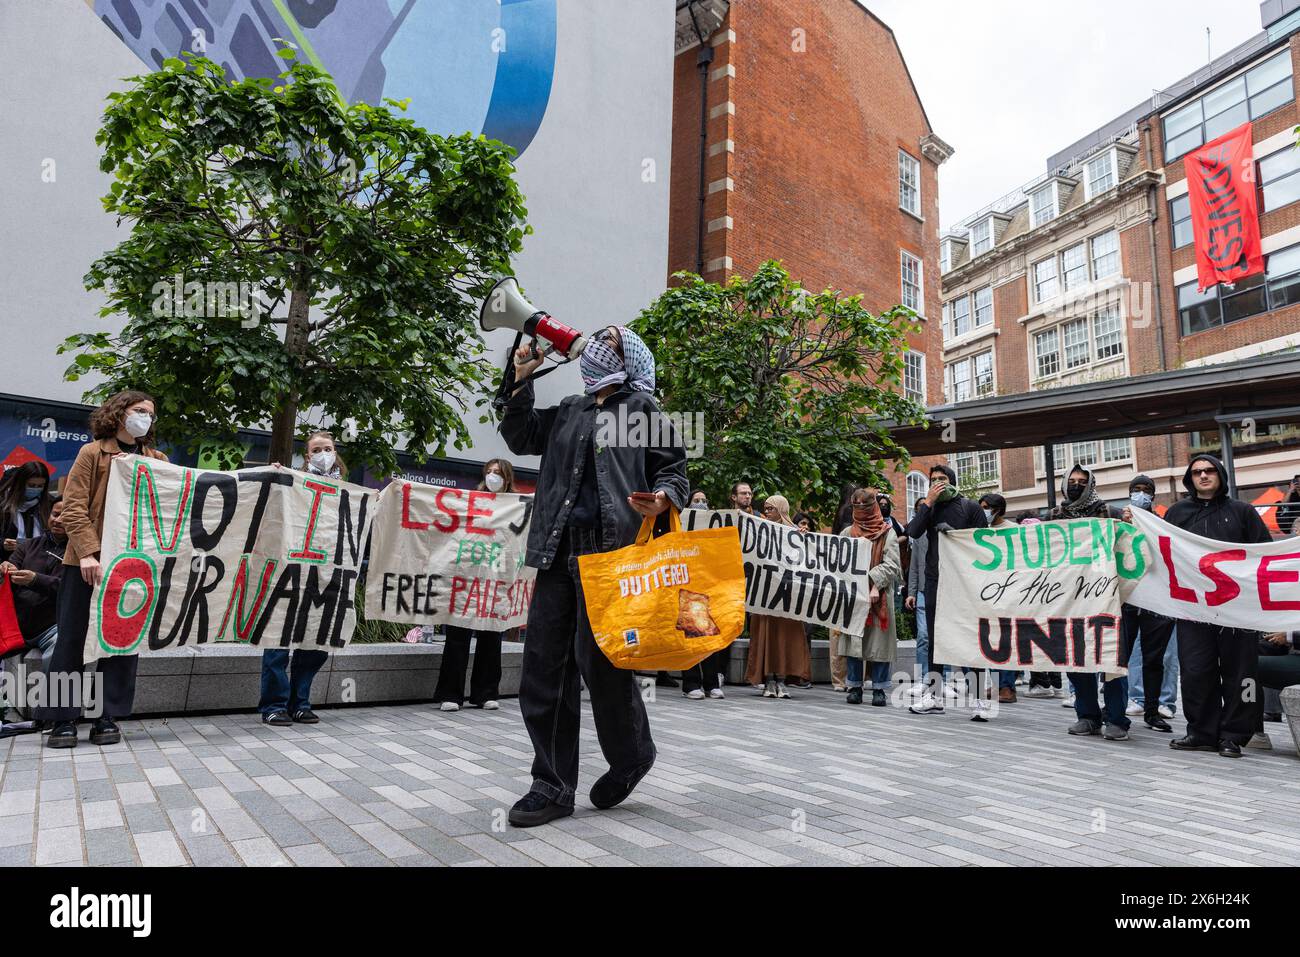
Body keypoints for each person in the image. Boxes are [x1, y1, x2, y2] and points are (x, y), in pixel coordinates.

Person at [500, 324, 688, 827]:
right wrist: (520, 378)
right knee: (543, 669)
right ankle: (552, 784)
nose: (599, 345)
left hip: (612, 556)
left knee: (602, 665)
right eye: (597, 338)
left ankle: (631, 755)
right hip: (558, 552)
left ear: (631, 355)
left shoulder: (641, 410)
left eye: (612, 339)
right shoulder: (569, 410)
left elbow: (674, 470)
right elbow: (519, 436)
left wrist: (664, 496)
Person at [36, 391, 166, 748]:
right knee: (72, 641)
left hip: (132, 567)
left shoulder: (158, 460)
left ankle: (106, 716)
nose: (145, 419)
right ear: (119, 413)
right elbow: (73, 507)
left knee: (121, 642)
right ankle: (63, 719)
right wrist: (89, 553)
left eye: (150, 415)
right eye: (139, 411)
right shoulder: (92, 453)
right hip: (85, 565)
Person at [1163, 454, 1272, 758]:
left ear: (1220, 475)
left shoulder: (1243, 512)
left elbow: (1264, 555)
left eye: (1210, 470)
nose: (1204, 476)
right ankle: (1201, 733)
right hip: (1192, 610)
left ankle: (1234, 736)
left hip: (1237, 611)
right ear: (1190, 478)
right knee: (1196, 671)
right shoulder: (1176, 513)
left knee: (1240, 673)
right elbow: (1159, 552)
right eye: (1197, 472)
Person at [260, 430, 341, 726]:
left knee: (317, 640)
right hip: (290, 569)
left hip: (326, 573)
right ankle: (274, 705)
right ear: (307, 456)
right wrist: (275, 478)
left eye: (328, 448)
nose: (323, 453)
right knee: (279, 638)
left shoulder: (347, 490)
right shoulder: (292, 481)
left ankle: (300, 701)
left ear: (335, 452)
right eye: (317, 449)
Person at [432, 458, 516, 713]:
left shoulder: (515, 506)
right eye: (489, 471)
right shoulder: (471, 501)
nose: (492, 476)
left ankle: (486, 693)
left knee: (492, 638)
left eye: (498, 473)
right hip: (467, 580)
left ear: (507, 478)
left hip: (496, 582)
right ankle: (450, 694)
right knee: (457, 638)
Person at [905, 463, 988, 716]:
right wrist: (927, 504)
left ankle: (978, 700)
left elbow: (983, 545)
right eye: (933, 480)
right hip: (935, 582)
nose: (937, 483)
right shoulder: (929, 507)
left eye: (942, 479)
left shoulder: (970, 507)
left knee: (970, 639)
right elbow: (913, 531)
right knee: (934, 639)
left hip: (964, 583)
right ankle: (933, 696)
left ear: (952, 481)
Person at [1119, 473, 1178, 732]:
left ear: (1152, 496)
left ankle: (1152, 711)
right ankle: (1116, 707)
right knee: (1120, 656)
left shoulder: (1161, 524)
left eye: (1145, 490)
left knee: (1154, 658)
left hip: (1155, 600)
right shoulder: (1120, 523)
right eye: (1136, 489)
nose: (1140, 494)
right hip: (1128, 598)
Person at [835, 489, 901, 706]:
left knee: (879, 645)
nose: (861, 510)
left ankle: (879, 689)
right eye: (857, 505)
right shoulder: (846, 534)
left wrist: (874, 584)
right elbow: (838, 563)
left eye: (865, 505)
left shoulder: (887, 533)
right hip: (854, 596)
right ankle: (854, 686)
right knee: (854, 641)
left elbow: (892, 564)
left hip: (879, 596)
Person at [745, 494, 812, 698]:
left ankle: (782, 680)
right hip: (765, 595)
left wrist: (803, 538)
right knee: (766, 636)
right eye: (765, 508)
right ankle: (768, 681)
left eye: (771, 508)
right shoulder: (759, 530)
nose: (767, 512)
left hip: (786, 597)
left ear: (781, 510)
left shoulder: (794, 533)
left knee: (784, 638)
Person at [0, 496, 66, 661]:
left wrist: (35, 580)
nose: (58, 520)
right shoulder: (29, 545)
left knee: (59, 652)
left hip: (53, 627)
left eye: (66, 515)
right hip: (18, 625)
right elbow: (11, 565)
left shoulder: (82, 553)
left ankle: (56, 688)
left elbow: (68, 589)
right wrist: (5, 569)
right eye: (55, 514)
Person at [979, 492, 1021, 704]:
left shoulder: (1014, 530)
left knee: (1005, 639)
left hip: (1009, 591)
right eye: (981, 506)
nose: (983, 510)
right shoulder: (980, 531)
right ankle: (997, 685)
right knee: (990, 639)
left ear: (998, 509)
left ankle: (1007, 687)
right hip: (988, 592)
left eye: (987, 506)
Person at [1248, 631, 1300, 750]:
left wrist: (1290, 636)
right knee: (1245, 649)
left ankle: (1253, 732)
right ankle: (1246, 728)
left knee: (1247, 664)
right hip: (1292, 649)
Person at [0, 461, 55, 566]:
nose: (35, 489)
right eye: (31, 485)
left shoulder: (49, 503)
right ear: (20, 483)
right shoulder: (3, 503)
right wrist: (3, 544)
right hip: (7, 563)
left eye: (40, 486)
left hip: (40, 563)